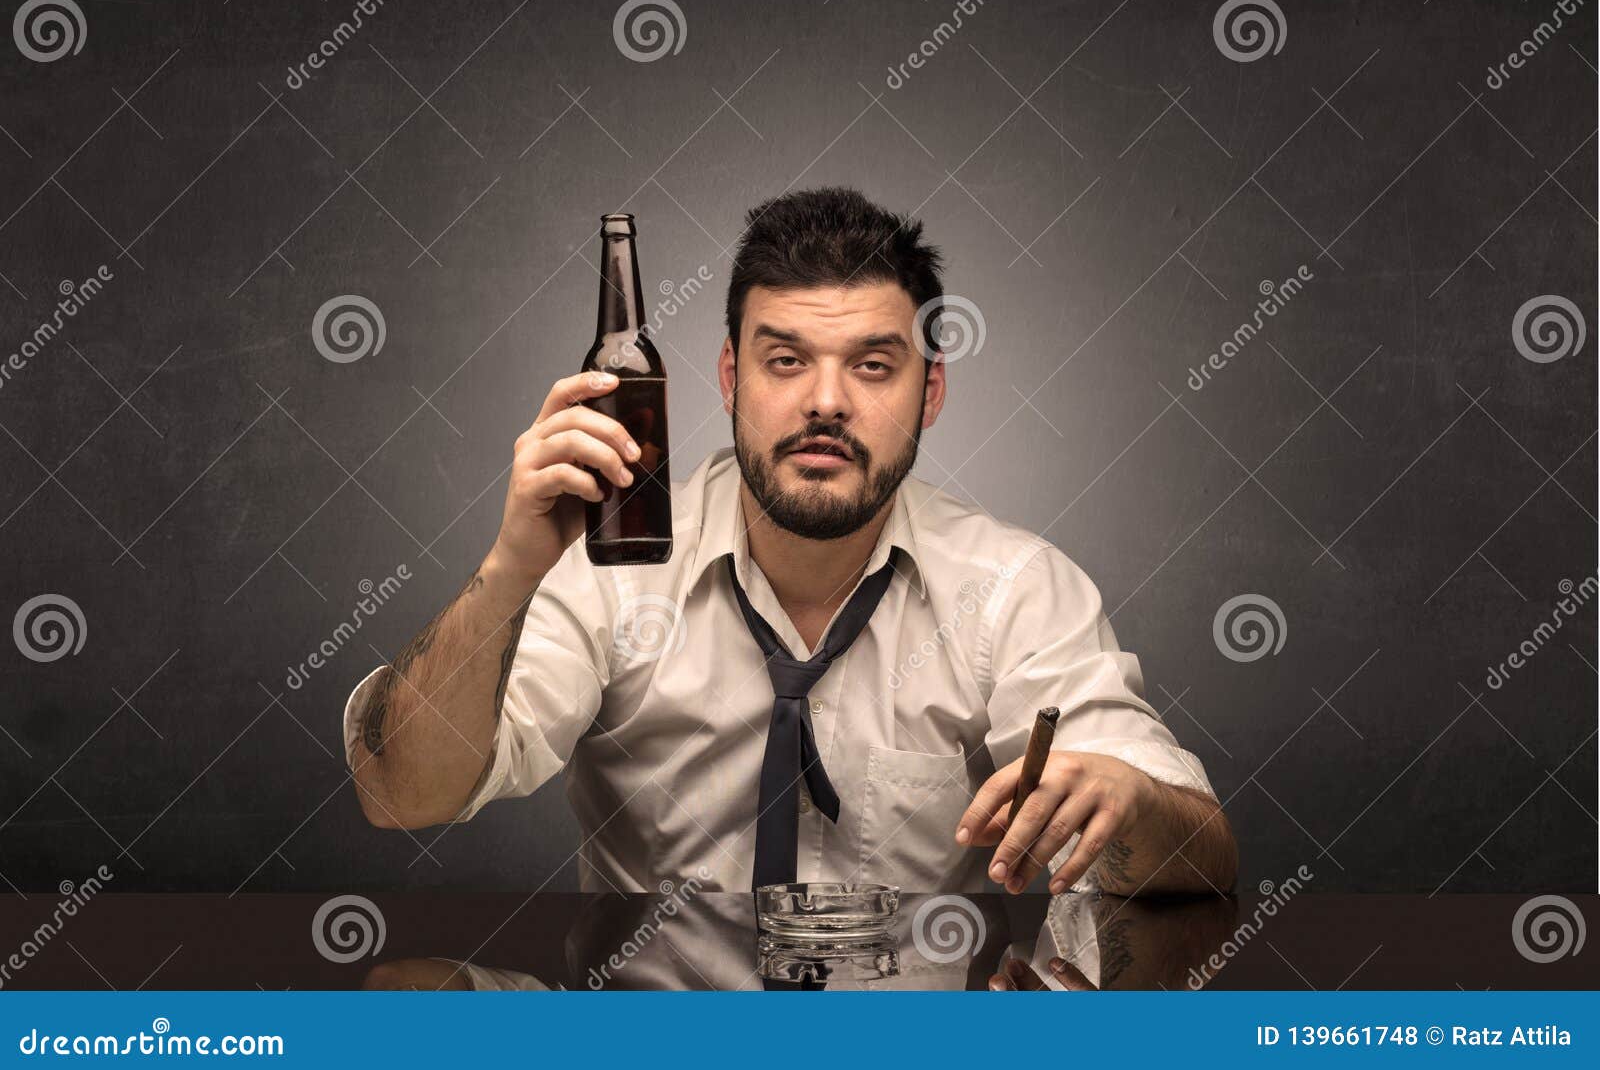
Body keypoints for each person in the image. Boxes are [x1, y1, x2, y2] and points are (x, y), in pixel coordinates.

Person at [342, 186, 1238, 897]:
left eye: (874, 366)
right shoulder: (615, 573)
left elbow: (1204, 861)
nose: (825, 401)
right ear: (731, 375)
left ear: (930, 396)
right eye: (785, 360)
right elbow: (401, 796)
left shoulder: (1012, 588)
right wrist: (512, 569)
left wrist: (1129, 803)